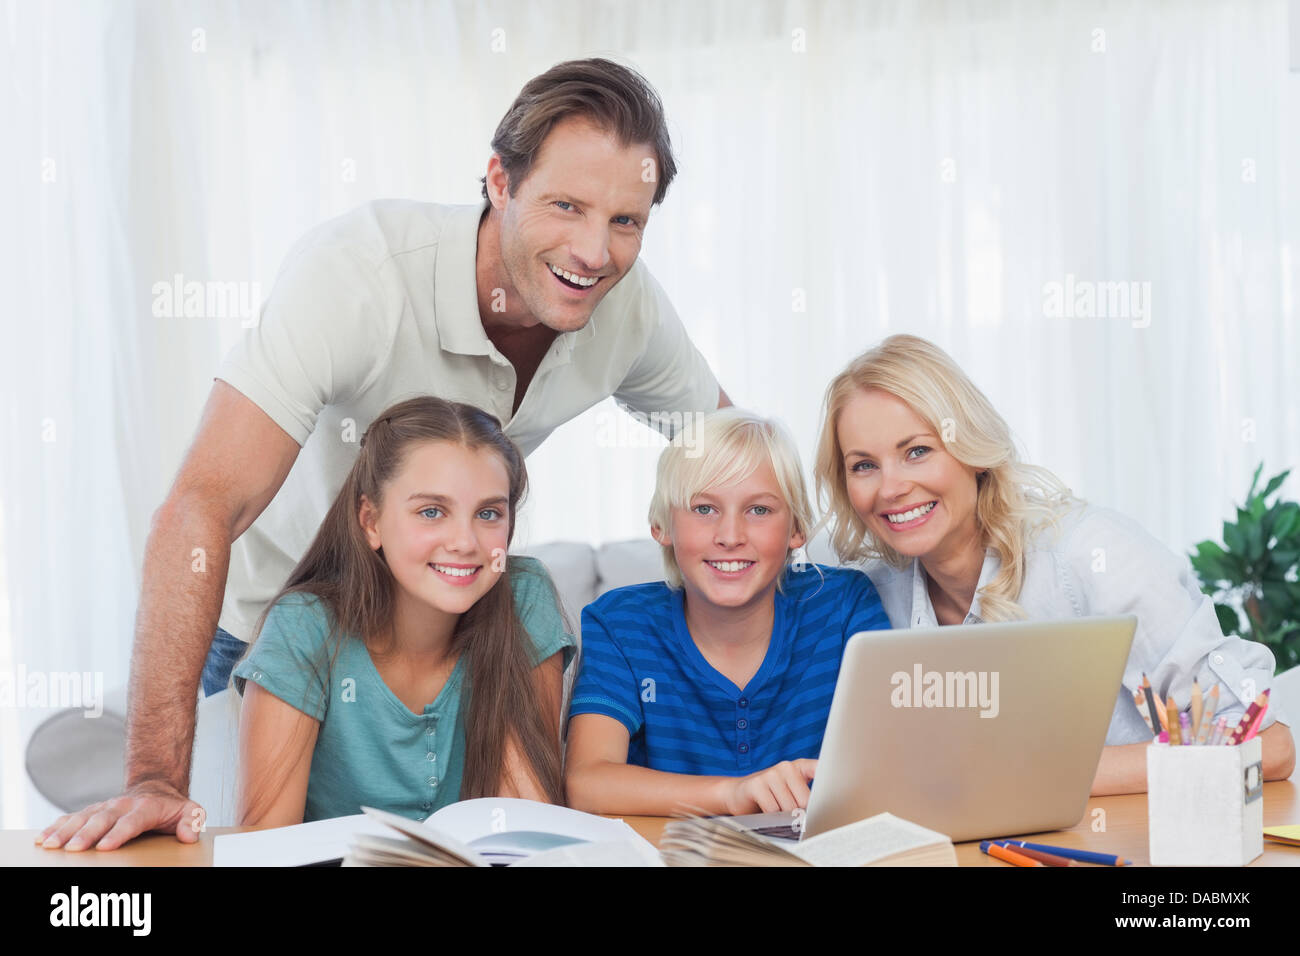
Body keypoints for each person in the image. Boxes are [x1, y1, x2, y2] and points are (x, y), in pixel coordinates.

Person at [39, 56, 730, 851]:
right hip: (273, 629)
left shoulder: (627, 310)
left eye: (626, 221)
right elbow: (202, 504)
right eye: (565, 205)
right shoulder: (360, 276)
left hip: (441, 628)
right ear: (499, 182)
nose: (594, 252)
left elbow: (736, 458)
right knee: (241, 845)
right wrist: (155, 776)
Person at [812, 333, 1296, 794]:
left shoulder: (1092, 555)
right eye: (863, 466)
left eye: (917, 451)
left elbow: (1268, 747)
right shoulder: (863, 582)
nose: (890, 488)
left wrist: (1045, 776)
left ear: (973, 450)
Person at [235, 397, 571, 824]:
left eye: (488, 513)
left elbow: (525, 822)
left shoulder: (523, 595)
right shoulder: (303, 627)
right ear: (371, 521)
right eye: (432, 511)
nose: (465, 542)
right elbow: (268, 848)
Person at [564, 408, 890, 816]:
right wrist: (735, 794)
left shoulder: (843, 606)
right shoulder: (620, 625)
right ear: (661, 526)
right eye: (704, 509)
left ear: (796, 529)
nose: (731, 537)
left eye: (759, 510)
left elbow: (895, 759)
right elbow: (587, 782)